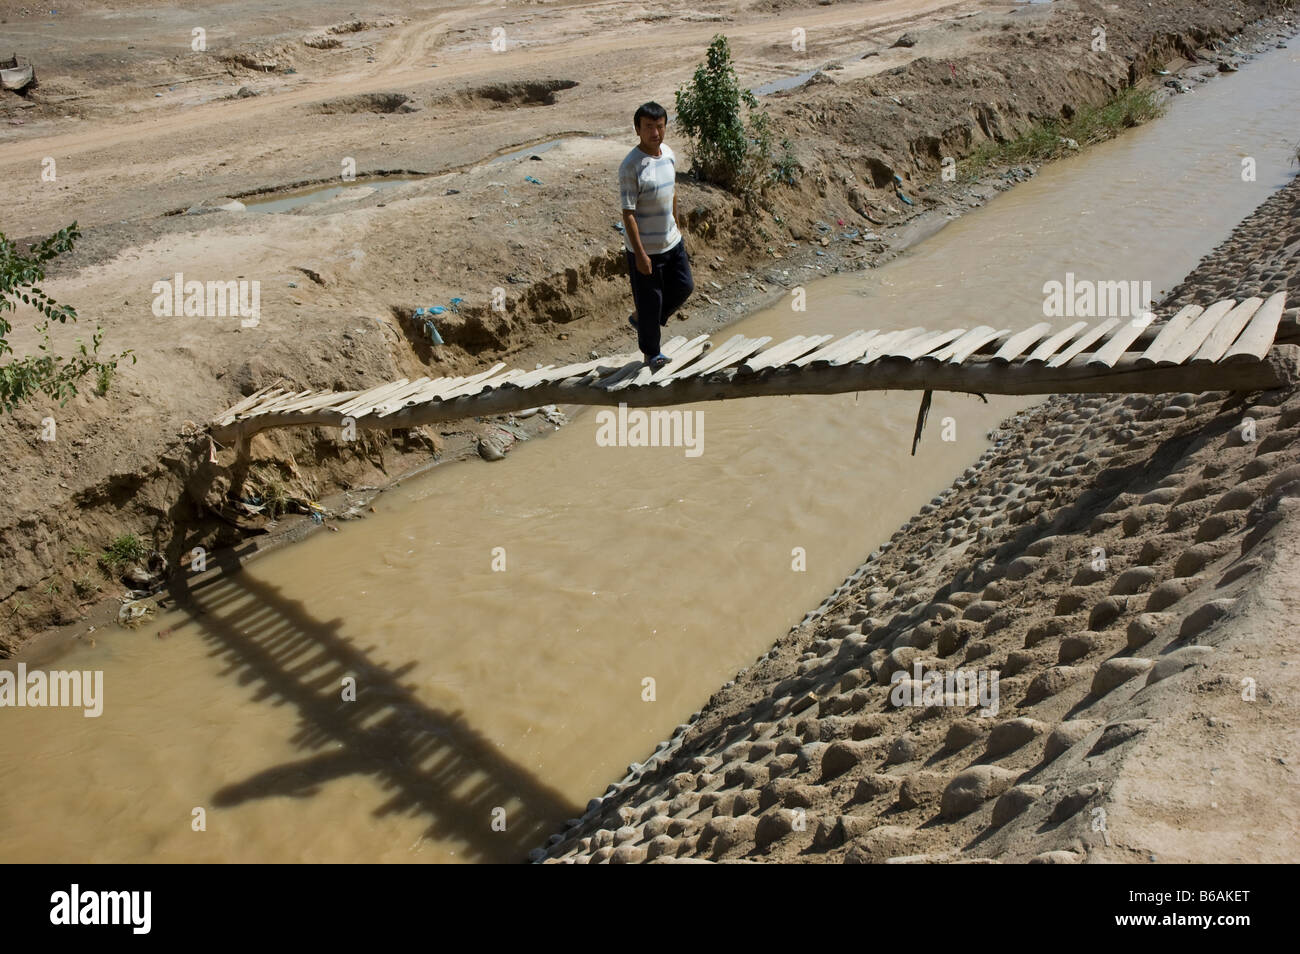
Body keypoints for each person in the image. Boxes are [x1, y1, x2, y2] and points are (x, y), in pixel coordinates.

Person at [618, 101, 694, 371]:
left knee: (685, 287)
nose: (655, 133)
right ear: (637, 129)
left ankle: (643, 319)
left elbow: (672, 192)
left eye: (660, 127)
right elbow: (628, 214)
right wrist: (639, 254)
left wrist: (678, 224)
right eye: (649, 127)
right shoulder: (631, 166)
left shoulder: (669, 154)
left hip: (671, 240)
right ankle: (652, 354)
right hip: (646, 249)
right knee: (652, 301)